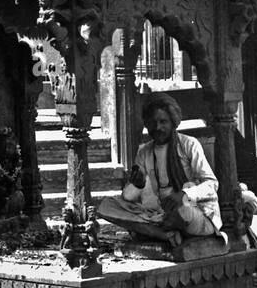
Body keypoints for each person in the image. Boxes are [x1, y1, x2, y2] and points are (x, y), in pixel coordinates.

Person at [94, 93, 222, 246]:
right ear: (147, 124)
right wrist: (137, 185)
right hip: (161, 214)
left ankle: (156, 232)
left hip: (195, 212)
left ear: (173, 122)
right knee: (107, 205)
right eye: (153, 122)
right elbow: (128, 198)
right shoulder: (144, 152)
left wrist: (184, 194)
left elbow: (211, 184)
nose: (158, 127)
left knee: (182, 212)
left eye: (163, 122)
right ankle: (164, 234)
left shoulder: (189, 145)